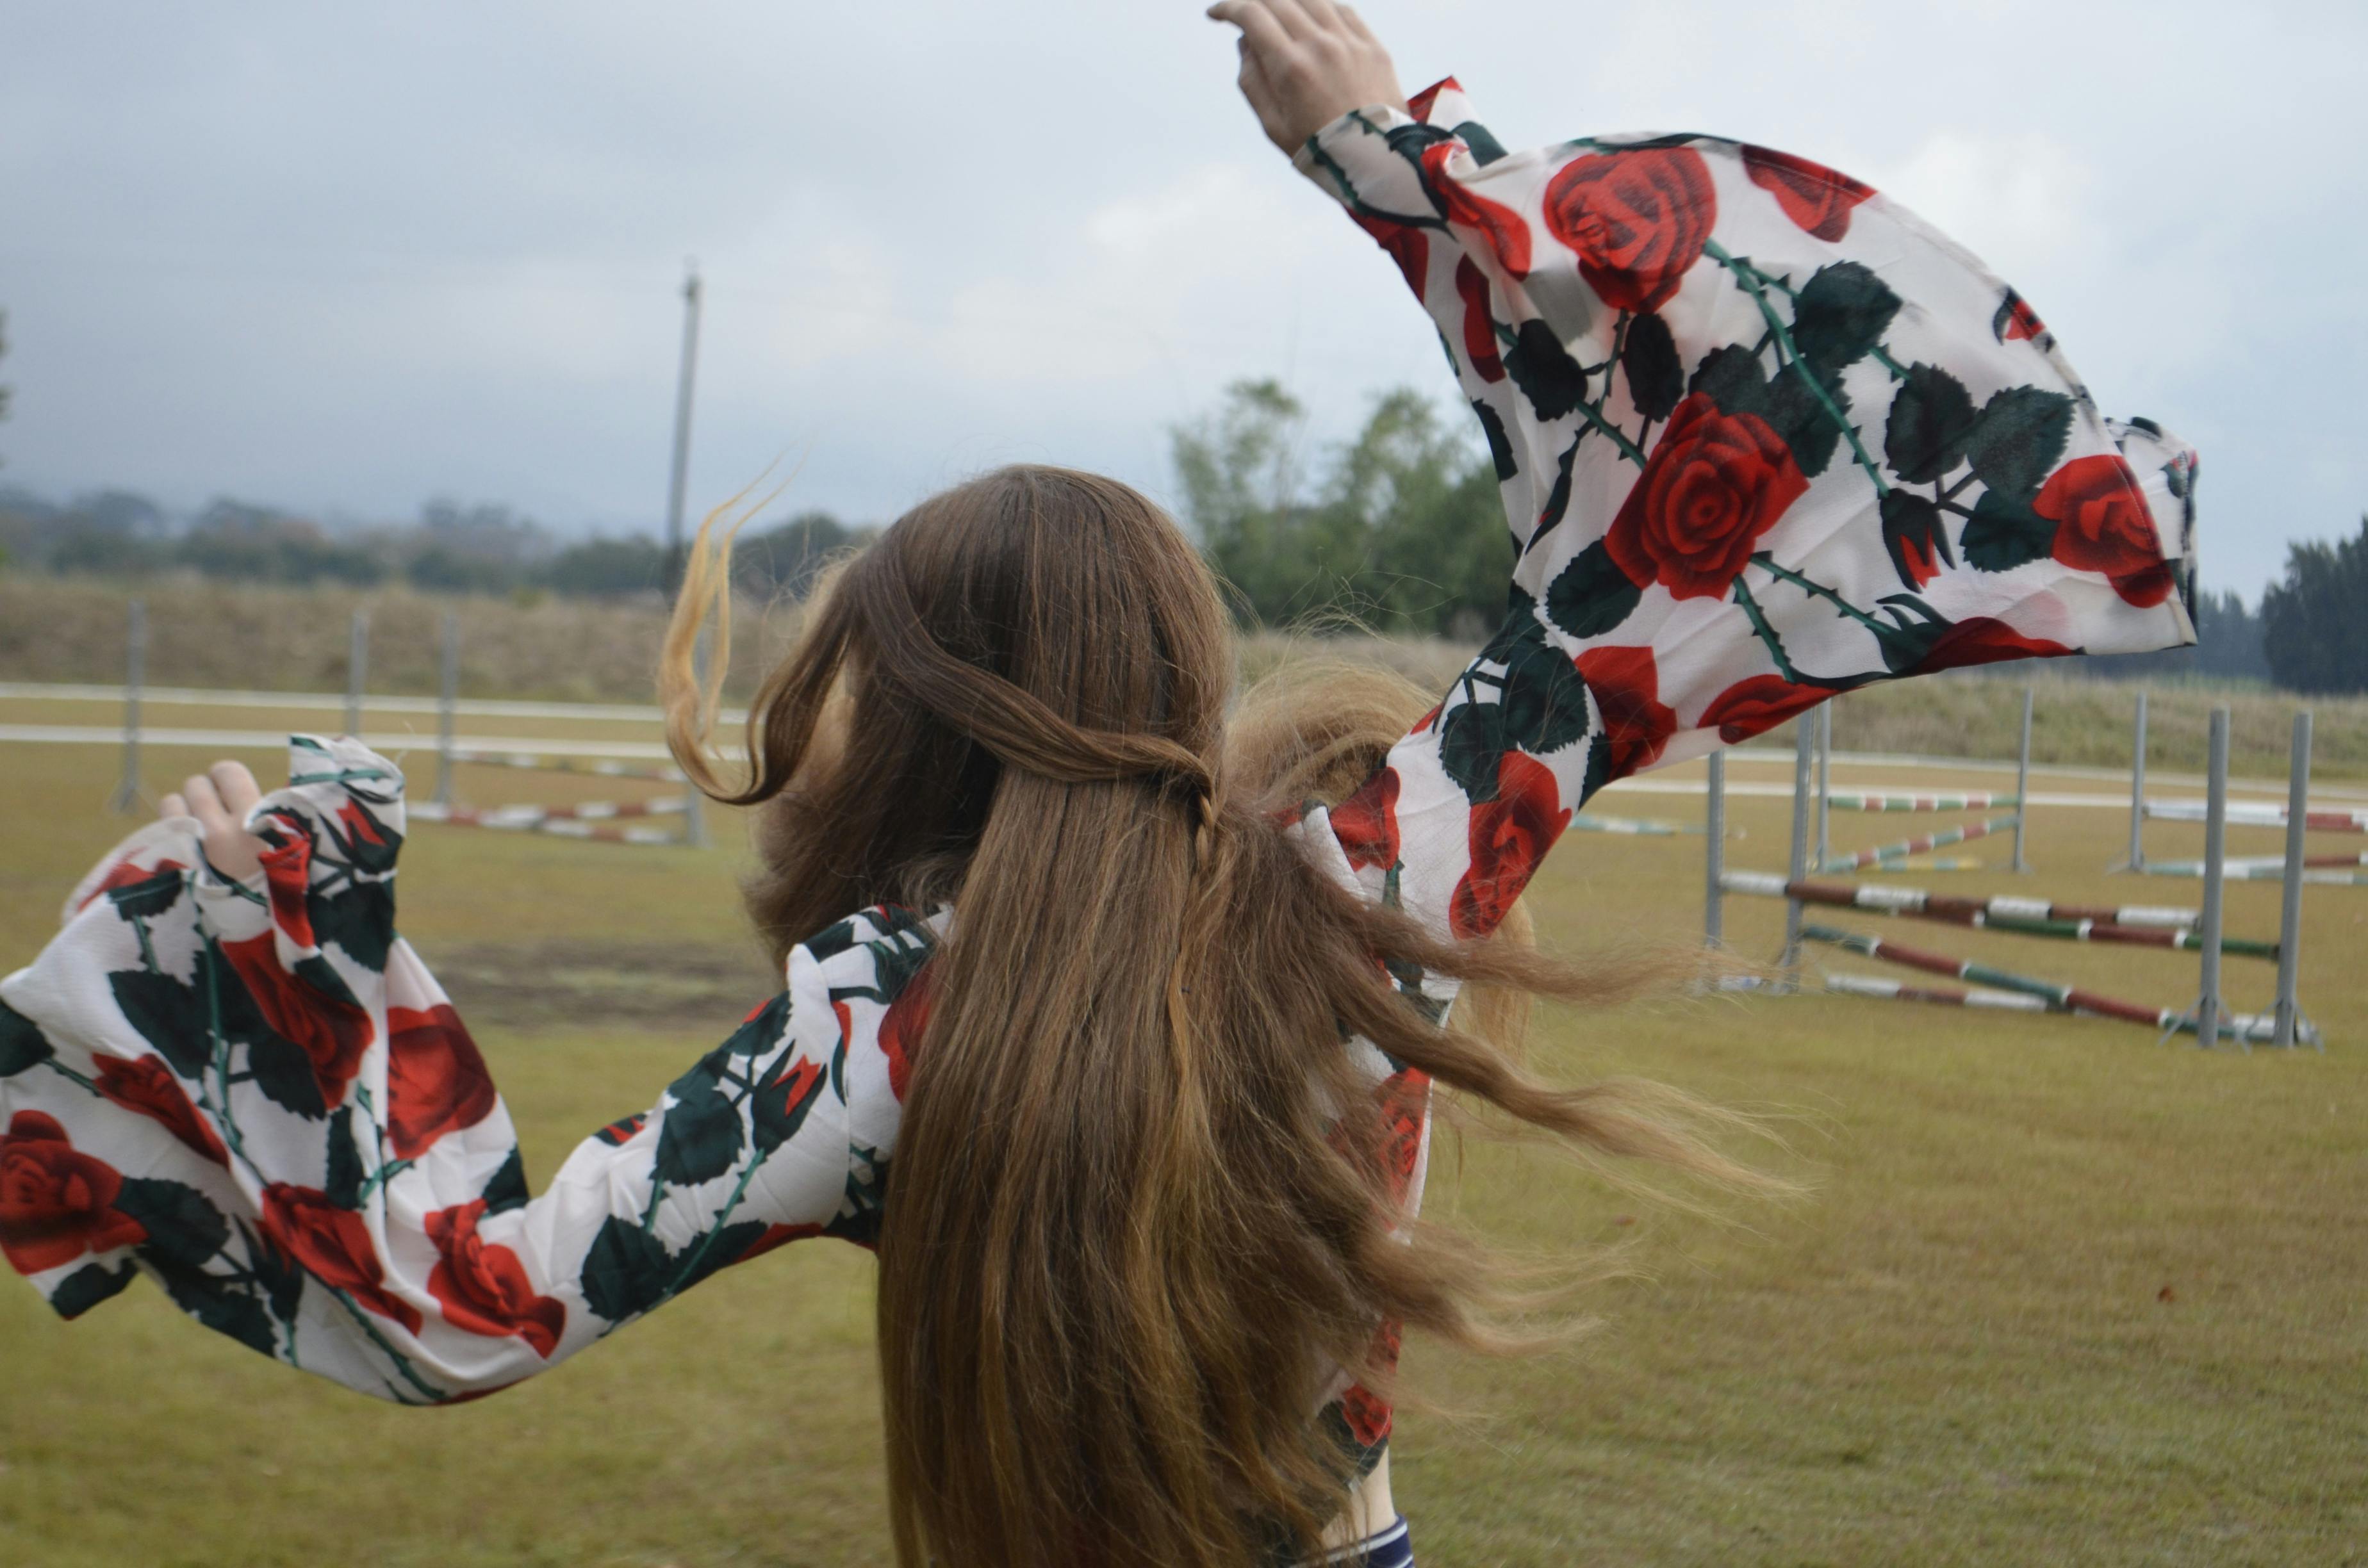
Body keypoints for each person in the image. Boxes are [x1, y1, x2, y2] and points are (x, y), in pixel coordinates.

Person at [0, 4, 2198, 1564]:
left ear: (922, 706)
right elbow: (1697, 514)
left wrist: (274, 933)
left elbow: (458, 1306)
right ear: (1169, 662)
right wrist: (1389, 153)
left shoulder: (869, 1029)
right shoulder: (1370, 873)